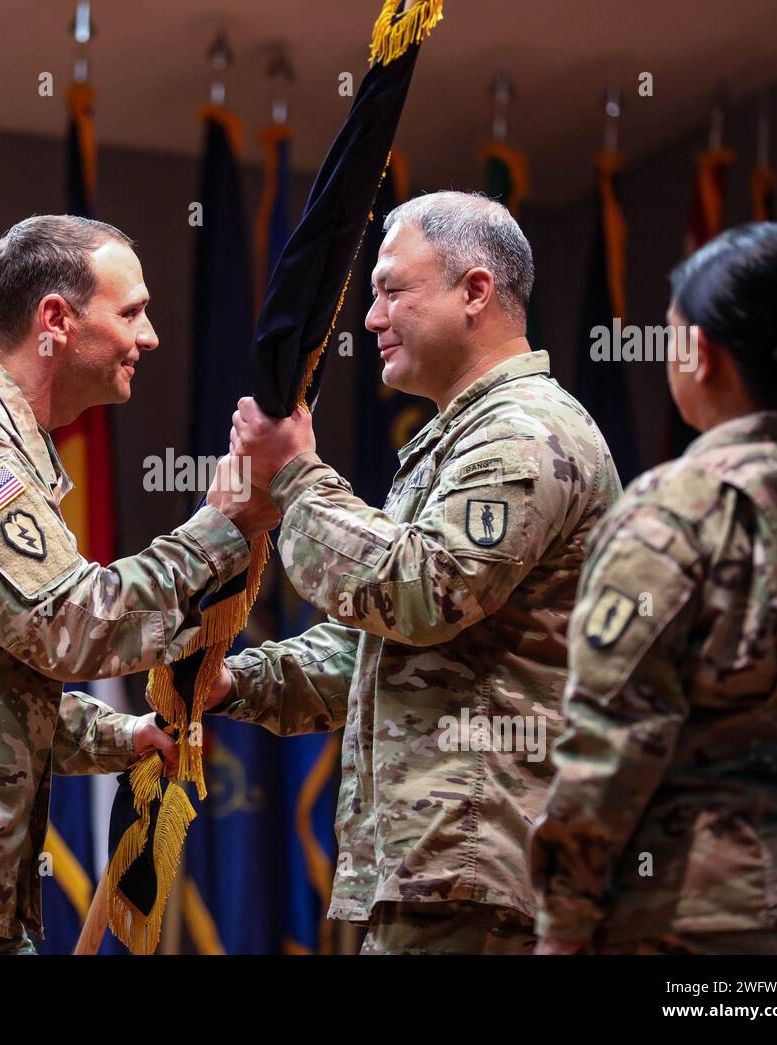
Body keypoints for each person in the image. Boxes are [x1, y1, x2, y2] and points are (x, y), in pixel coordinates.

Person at [0, 214, 280, 954]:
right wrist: (217, 526)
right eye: (131, 311)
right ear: (55, 320)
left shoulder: (7, 450)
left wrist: (123, 735)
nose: (151, 336)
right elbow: (63, 622)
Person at [213, 191, 621, 954]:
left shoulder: (524, 432)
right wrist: (236, 683)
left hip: (487, 868)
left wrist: (297, 477)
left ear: (474, 291)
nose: (369, 318)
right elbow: (378, 645)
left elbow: (422, 592)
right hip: (444, 870)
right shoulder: (460, 437)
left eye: (392, 290)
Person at [530, 223, 777, 955]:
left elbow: (613, 743)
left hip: (703, 923)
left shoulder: (673, 510)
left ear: (698, 354)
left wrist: (563, 926)